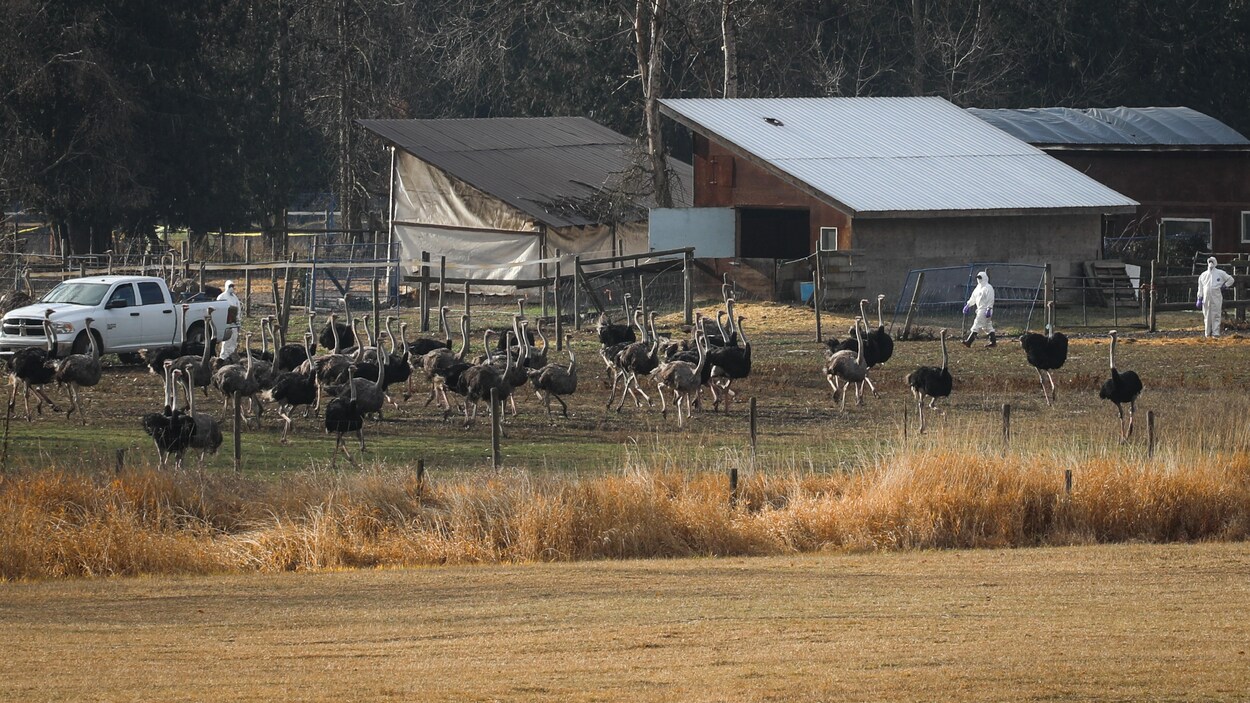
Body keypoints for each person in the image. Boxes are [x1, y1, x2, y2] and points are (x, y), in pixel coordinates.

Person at [1196, 256, 1235, 338]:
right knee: (1207, 315)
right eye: (1210, 262)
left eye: (1212, 262)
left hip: (1216, 296)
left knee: (1216, 314)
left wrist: (1225, 286)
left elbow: (1231, 279)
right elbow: (1200, 287)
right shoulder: (1203, 275)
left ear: (1215, 263)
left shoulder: (1220, 273)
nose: (1211, 264)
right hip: (1206, 298)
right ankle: (1207, 333)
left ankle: (1216, 333)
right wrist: (1199, 298)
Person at [962, 271, 996, 347]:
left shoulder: (988, 287)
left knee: (976, 324)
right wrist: (968, 305)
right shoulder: (978, 288)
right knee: (987, 326)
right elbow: (973, 298)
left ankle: (969, 342)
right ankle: (993, 342)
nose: (979, 279)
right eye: (978, 278)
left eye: (980, 278)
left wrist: (989, 308)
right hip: (980, 309)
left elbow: (991, 298)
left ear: (984, 278)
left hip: (985, 309)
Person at [216, 280, 242, 360]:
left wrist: (238, 320)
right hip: (226, 323)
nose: (231, 288)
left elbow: (238, 309)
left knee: (234, 339)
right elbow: (219, 309)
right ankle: (224, 357)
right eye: (230, 286)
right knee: (227, 341)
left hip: (234, 323)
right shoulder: (221, 297)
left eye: (232, 286)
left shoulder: (234, 297)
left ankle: (232, 355)